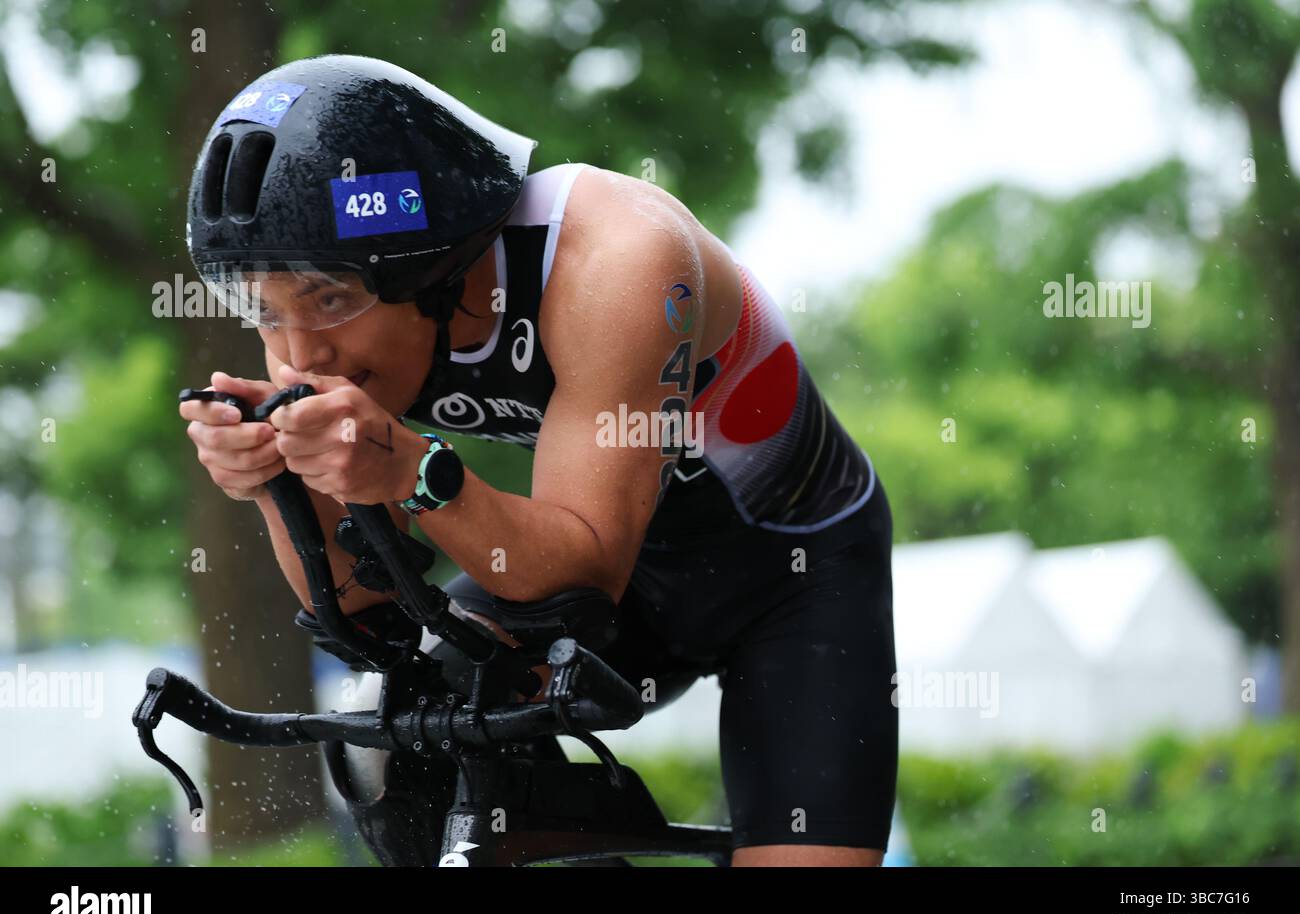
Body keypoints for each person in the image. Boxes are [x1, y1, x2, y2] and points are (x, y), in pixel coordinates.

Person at [180, 54, 897, 867]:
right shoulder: (323, 342)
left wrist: (411, 470)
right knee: (398, 721)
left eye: (332, 298)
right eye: (264, 311)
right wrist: (277, 483)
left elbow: (581, 582)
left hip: (794, 576)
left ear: (435, 267)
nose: (302, 352)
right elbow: (366, 612)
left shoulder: (618, 258)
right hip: (597, 559)